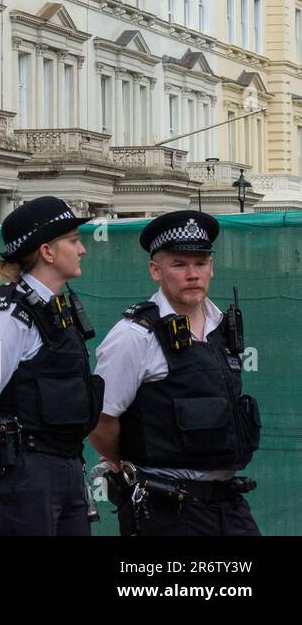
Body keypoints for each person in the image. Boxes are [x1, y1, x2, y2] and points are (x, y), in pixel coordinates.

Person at [88, 210, 260, 535]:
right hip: (166, 508)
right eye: (179, 264)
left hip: (227, 503)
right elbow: (100, 419)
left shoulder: (222, 327)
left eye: (200, 263)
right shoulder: (136, 334)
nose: (192, 274)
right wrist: (129, 462)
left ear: (211, 267)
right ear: (156, 270)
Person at [0, 196, 103, 536]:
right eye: (74, 241)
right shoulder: (4, 319)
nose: (83, 250)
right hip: (17, 480)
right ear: (47, 251)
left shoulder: (56, 310)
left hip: (64, 471)